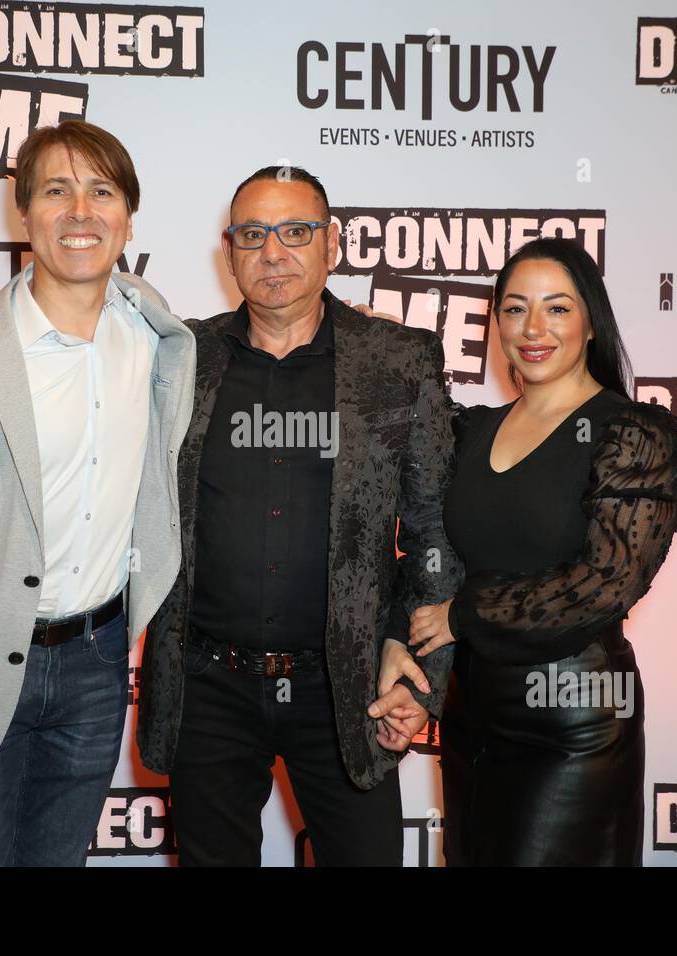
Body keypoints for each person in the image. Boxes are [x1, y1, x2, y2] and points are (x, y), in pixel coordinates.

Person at [0, 119, 195, 866]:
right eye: (57, 190)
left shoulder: (158, 340)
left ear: (128, 216)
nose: (80, 212)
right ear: (23, 213)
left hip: (98, 663)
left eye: (101, 191)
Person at [136, 165, 461, 866]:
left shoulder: (398, 360)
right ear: (228, 252)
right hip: (209, 685)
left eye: (295, 232)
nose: (273, 253)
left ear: (331, 245)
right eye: (252, 235)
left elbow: (435, 528)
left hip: (344, 685)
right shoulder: (181, 359)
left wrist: (421, 671)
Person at [391, 236, 677, 865]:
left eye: (557, 308)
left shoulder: (633, 435)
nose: (533, 328)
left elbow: (606, 582)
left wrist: (462, 616)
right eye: (514, 309)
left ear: (590, 323)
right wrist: (402, 636)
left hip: (574, 725)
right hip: (471, 719)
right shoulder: (471, 431)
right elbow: (433, 553)